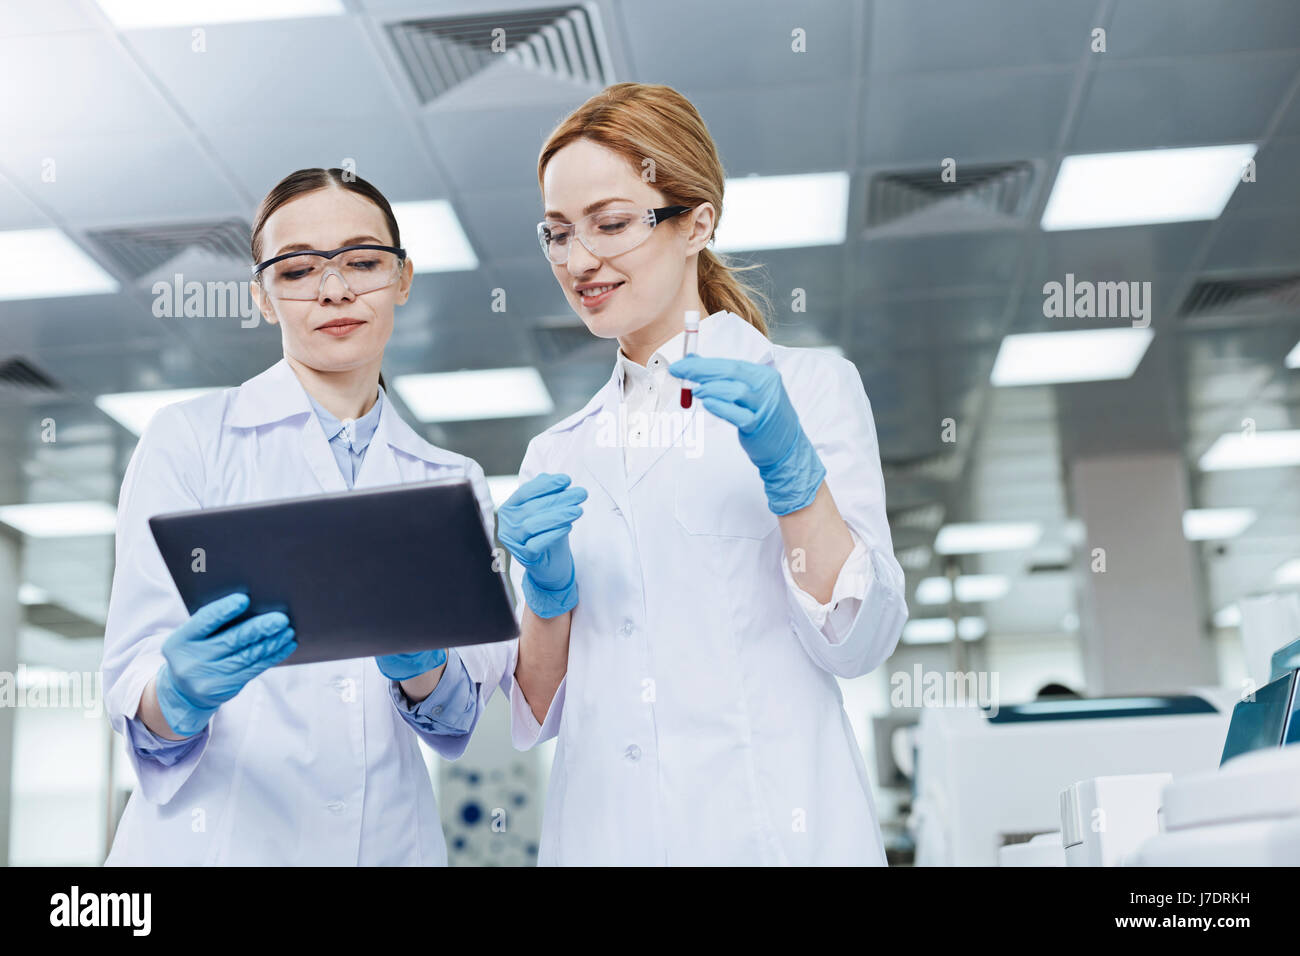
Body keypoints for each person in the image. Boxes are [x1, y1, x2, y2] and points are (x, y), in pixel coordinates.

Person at [484, 82, 911, 866]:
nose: (579, 261)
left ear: (697, 223)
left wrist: (793, 476)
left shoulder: (808, 390)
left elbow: (860, 642)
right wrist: (546, 597)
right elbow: (536, 707)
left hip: (771, 834)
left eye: (611, 223)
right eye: (558, 233)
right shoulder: (556, 453)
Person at [101, 168, 497, 865]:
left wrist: (425, 669)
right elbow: (136, 693)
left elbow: (458, 720)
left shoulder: (451, 480)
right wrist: (180, 694)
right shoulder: (189, 439)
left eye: (363, 262)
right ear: (263, 296)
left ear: (402, 278)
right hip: (218, 842)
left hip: (385, 842)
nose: (334, 289)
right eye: (298, 269)